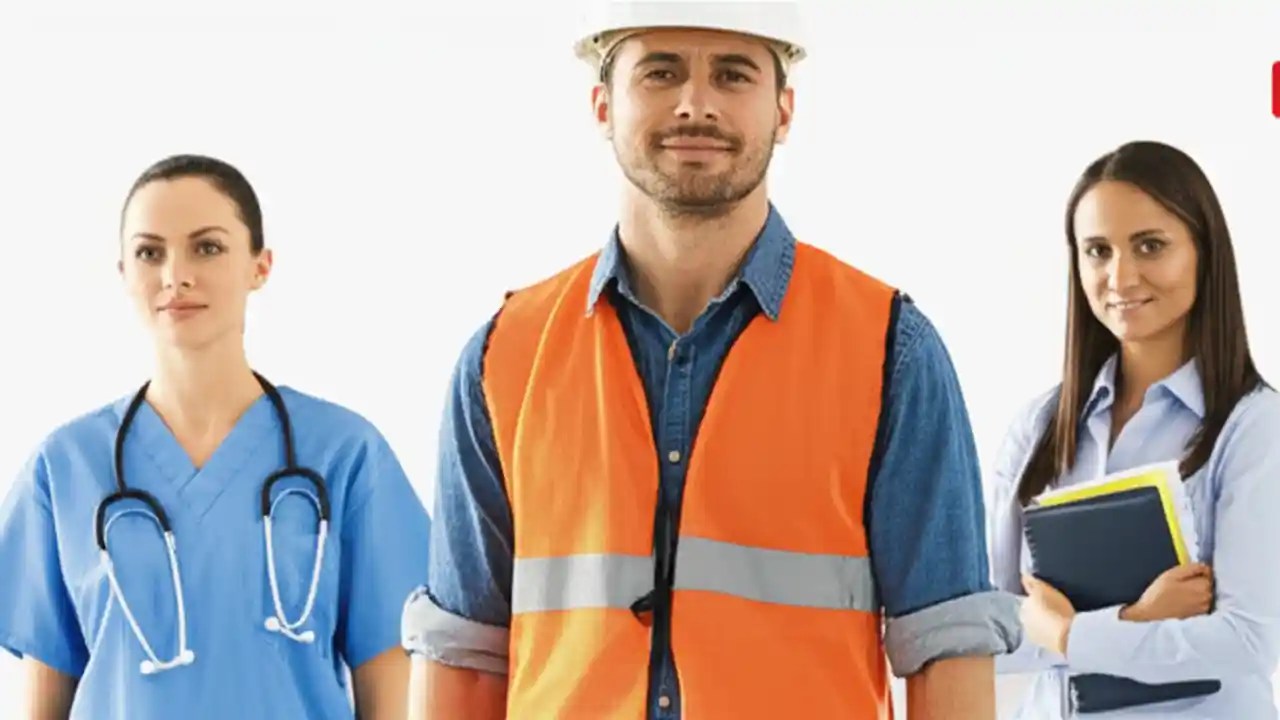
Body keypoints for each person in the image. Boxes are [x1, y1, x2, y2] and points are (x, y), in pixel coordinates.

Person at [400, 2, 1019, 718]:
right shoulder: (504, 356)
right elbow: (464, 658)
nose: (696, 104)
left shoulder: (889, 350)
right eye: (661, 73)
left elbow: (949, 651)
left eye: (733, 74)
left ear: (784, 111)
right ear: (602, 105)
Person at [0, 154, 431, 720]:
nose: (175, 275)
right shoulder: (66, 467)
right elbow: (43, 696)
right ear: (124, 273)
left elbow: (389, 681)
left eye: (207, 247)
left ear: (261, 266)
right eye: (150, 252)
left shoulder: (346, 455)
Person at [989, 140, 1280, 718]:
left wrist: (1070, 635)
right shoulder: (1038, 428)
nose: (1120, 276)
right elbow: (987, 631)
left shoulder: (1256, 430)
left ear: (1204, 252)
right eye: (1097, 250)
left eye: (1150, 246)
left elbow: (1250, 641)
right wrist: (1134, 623)